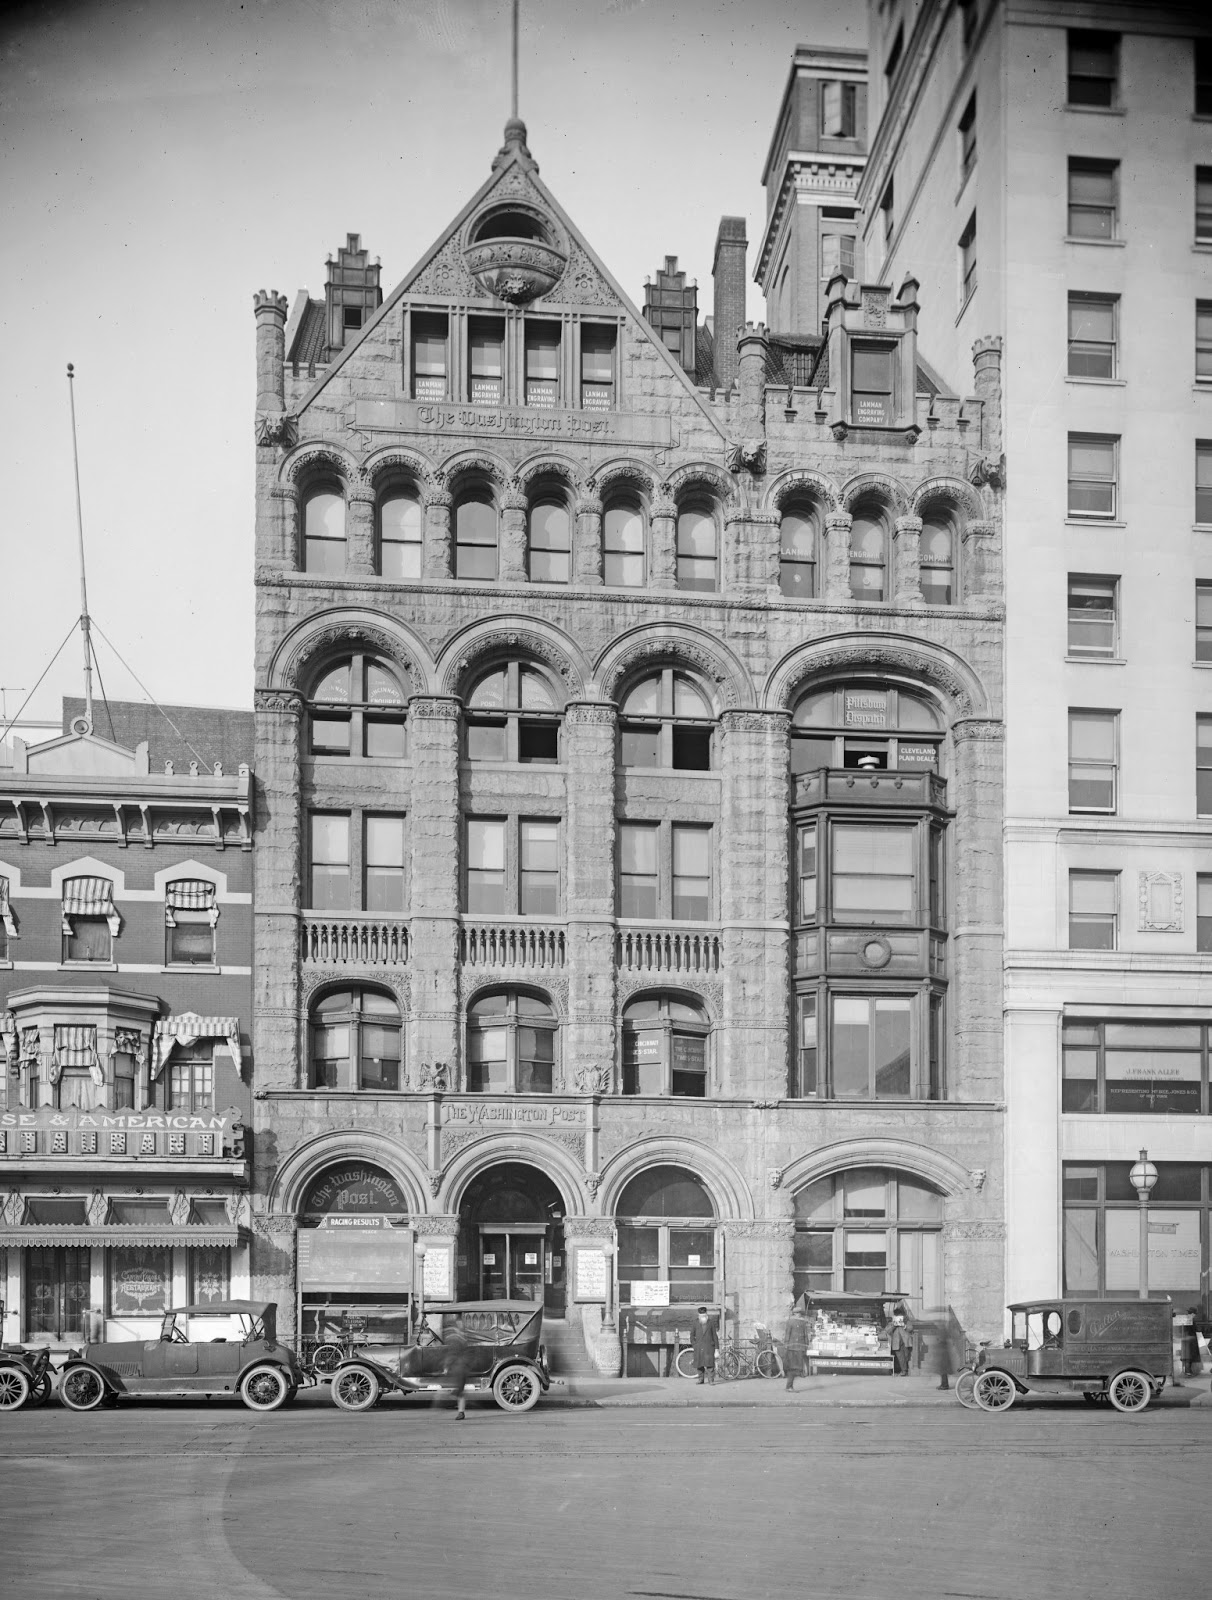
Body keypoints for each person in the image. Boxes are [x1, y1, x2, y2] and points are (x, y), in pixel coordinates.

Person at [442, 1313, 471, 1420]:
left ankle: (460, 1410)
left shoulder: (455, 1339)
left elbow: (452, 1354)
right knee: (460, 1390)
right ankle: (461, 1411)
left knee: (459, 1390)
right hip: (464, 1366)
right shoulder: (464, 1337)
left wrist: (446, 1366)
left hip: (459, 1367)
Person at [691, 1306, 718, 1385]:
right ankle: (701, 1379)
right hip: (698, 1346)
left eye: (704, 1315)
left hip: (709, 1346)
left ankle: (711, 1380)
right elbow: (692, 1335)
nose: (703, 1317)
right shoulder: (695, 1322)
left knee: (710, 1364)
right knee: (699, 1364)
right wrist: (694, 1344)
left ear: (706, 1314)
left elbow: (714, 1335)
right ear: (699, 1315)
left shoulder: (711, 1322)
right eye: (701, 1315)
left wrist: (717, 1348)